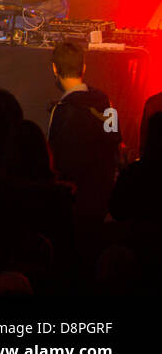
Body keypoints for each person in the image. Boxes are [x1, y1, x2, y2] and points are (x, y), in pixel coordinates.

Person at [47, 41, 122, 227]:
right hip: (104, 201)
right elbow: (116, 143)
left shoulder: (61, 112)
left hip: (75, 208)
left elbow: (56, 162)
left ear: (55, 68)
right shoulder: (107, 102)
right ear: (84, 68)